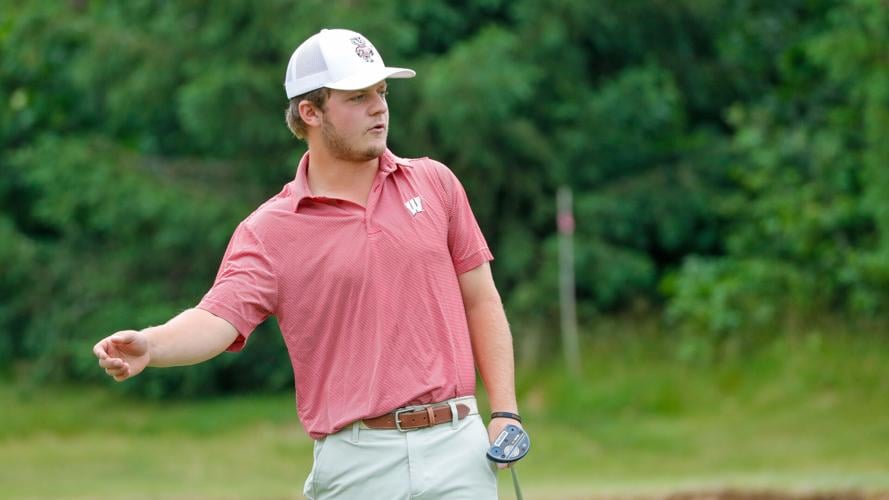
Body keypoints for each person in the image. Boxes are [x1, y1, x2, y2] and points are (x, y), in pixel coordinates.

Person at [93, 28, 523, 499]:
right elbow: (216, 318)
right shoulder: (270, 230)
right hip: (357, 460)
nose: (379, 108)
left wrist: (505, 411)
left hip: (457, 446)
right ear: (310, 112)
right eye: (357, 97)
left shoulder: (436, 183)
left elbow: (481, 300)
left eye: (382, 92)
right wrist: (153, 345)